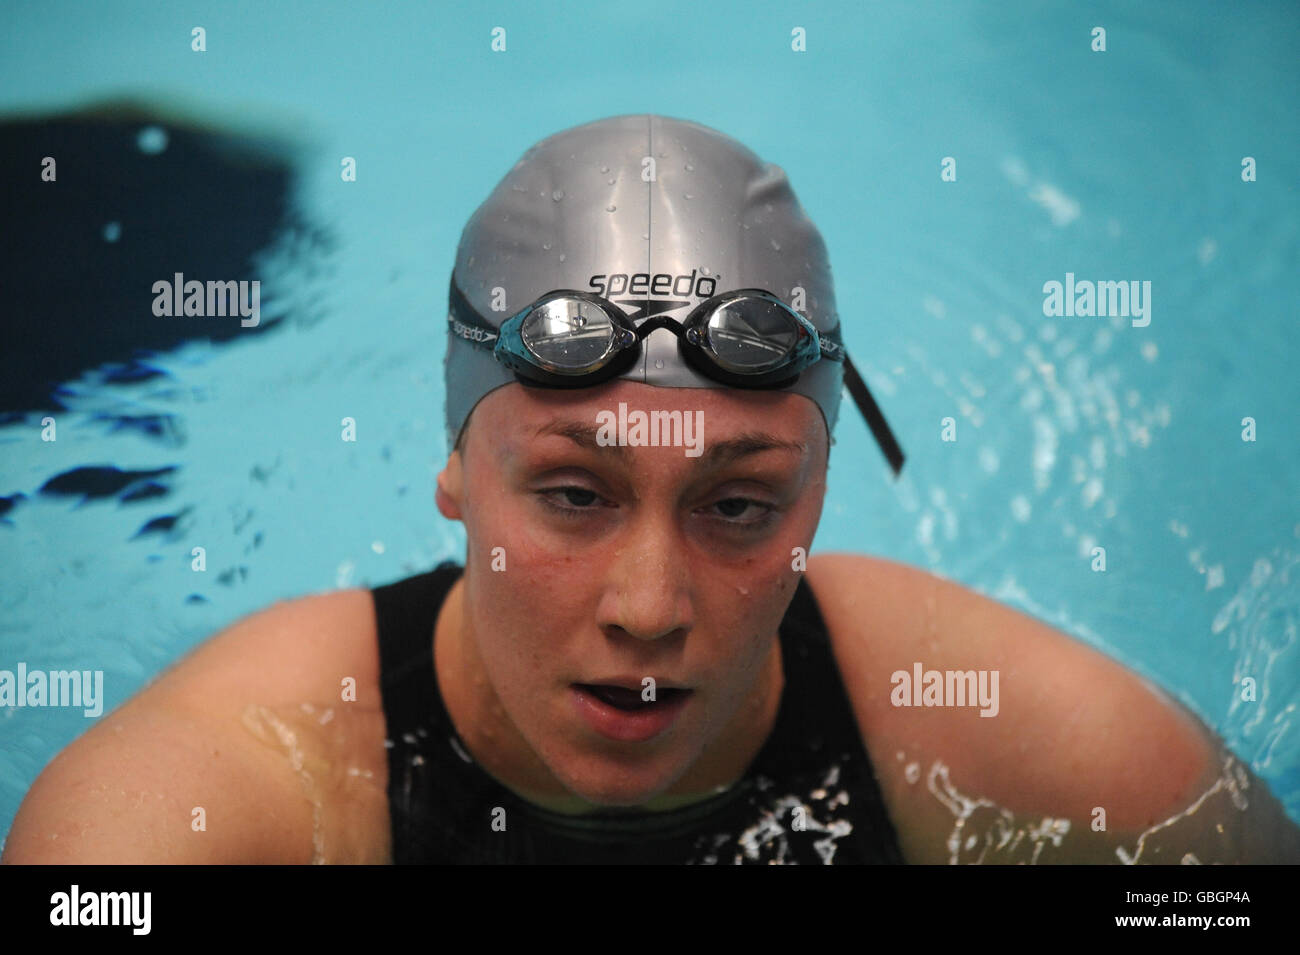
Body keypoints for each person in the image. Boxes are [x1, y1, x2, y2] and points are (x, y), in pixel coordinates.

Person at [4, 114, 1297, 865]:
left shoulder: (1064, 766)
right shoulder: (204, 815)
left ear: (821, 497)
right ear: (457, 467)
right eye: (574, 494)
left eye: (739, 504)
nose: (649, 606)